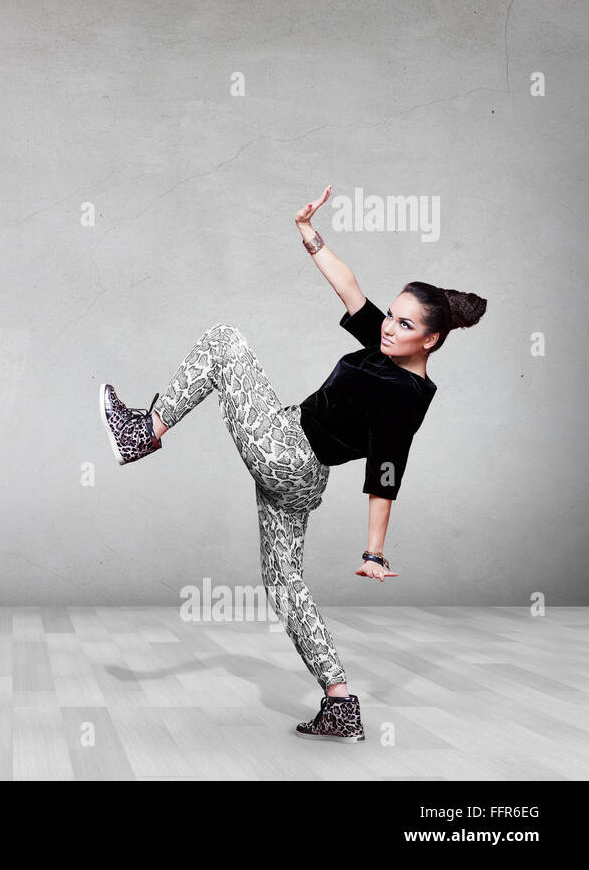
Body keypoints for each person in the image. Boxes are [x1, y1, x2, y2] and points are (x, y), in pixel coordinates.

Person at [99, 185, 487, 742]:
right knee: (285, 586)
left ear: (435, 339)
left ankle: (143, 432)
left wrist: (374, 551)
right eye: (393, 316)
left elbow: (386, 471)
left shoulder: (406, 393)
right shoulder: (387, 350)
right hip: (303, 478)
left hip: (288, 448)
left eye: (404, 325)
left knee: (225, 342)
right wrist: (310, 236)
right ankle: (340, 701)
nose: (389, 327)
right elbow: (351, 291)